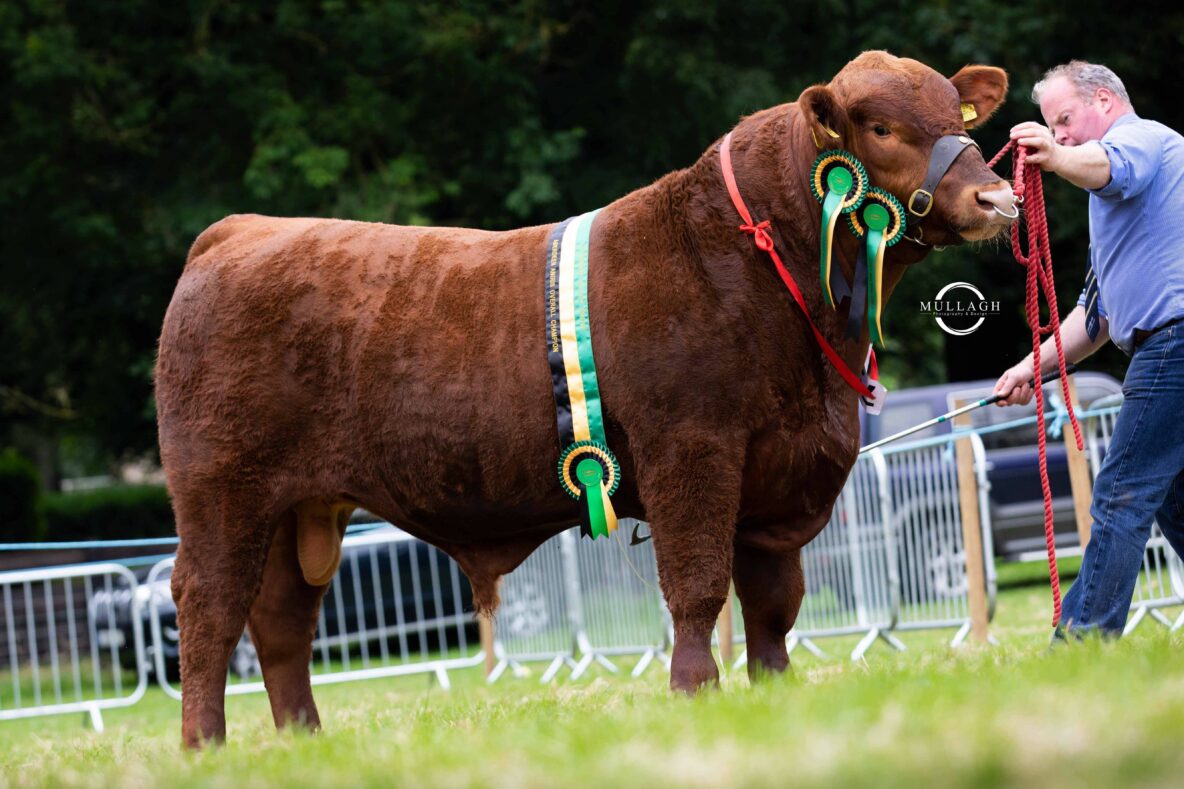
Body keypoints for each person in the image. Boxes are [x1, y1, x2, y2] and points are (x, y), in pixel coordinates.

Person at [993, 60, 1184, 638]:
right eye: (1051, 128)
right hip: (1164, 345)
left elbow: (1107, 166)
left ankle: (1082, 641)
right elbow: (1093, 320)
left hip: (1174, 345)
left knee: (1121, 493)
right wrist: (1029, 367)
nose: (1060, 136)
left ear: (1104, 100)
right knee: (1172, 504)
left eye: (1064, 120)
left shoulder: (1142, 141)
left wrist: (1053, 158)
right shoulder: (1114, 205)